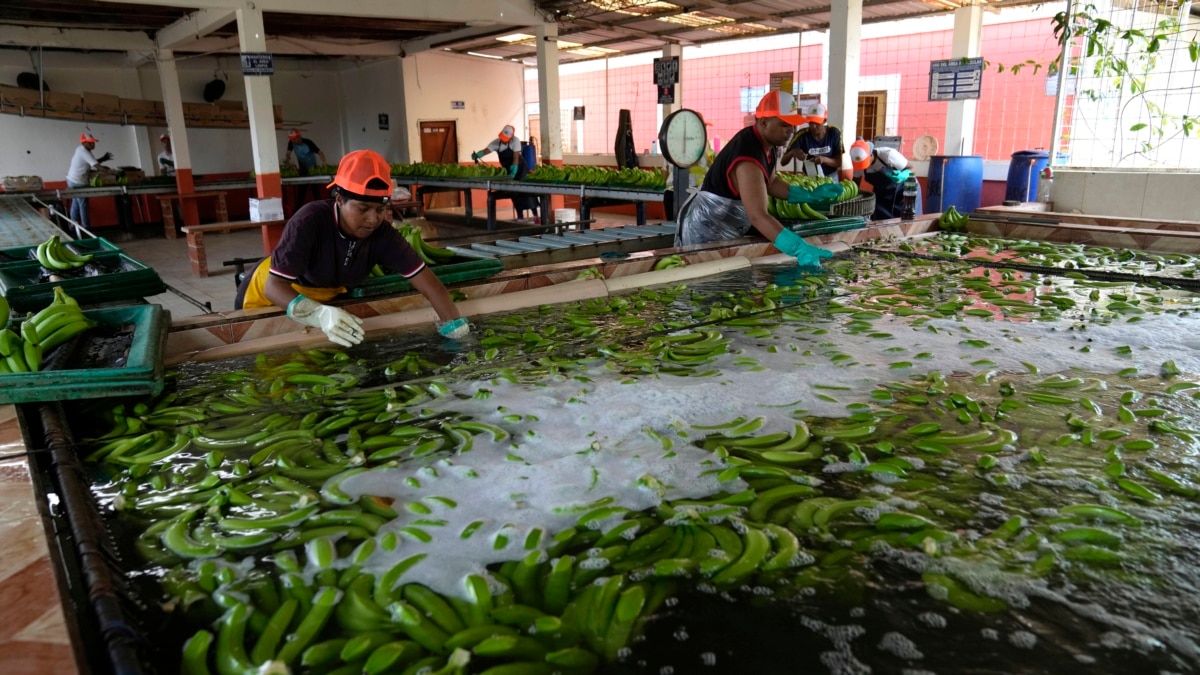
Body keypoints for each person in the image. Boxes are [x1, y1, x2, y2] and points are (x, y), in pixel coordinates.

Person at [235, 149, 469, 345]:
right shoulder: (310, 221)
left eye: (380, 210)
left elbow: (431, 287)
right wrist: (319, 314)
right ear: (339, 200)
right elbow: (274, 287)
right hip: (271, 294)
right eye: (362, 208)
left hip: (325, 296)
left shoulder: (383, 235)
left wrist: (456, 330)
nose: (373, 219)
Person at [674, 90, 840, 269]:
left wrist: (808, 195)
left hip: (727, 226)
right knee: (707, 287)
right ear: (764, 122)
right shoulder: (748, 156)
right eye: (785, 125)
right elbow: (759, 216)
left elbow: (771, 181)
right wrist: (798, 248)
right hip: (708, 231)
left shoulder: (768, 144)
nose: (790, 131)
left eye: (792, 125)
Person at [471, 125, 537, 220]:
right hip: (508, 170)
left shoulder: (515, 141)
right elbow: (486, 151)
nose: (503, 140)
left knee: (527, 192)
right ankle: (520, 217)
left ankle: (535, 215)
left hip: (521, 169)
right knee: (514, 192)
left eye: (506, 138)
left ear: (511, 137)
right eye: (502, 138)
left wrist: (514, 170)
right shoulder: (497, 143)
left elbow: (515, 158)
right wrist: (478, 154)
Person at [849, 139, 914, 221]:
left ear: (871, 154)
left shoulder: (888, 154)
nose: (864, 167)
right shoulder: (858, 165)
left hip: (903, 193)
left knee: (904, 222)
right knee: (879, 221)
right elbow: (855, 185)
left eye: (865, 163)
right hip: (882, 195)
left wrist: (904, 174)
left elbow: (912, 168)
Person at [780, 103, 844, 178]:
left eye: (816, 123)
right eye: (810, 122)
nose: (813, 126)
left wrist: (824, 159)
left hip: (831, 177)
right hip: (810, 178)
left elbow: (839, 162)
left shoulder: (834, 133)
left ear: (824, 121)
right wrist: (792, 152)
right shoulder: (801, 135)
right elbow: (783, 162)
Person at [64, 132, 114, 228]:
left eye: (93, 142)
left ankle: (73, 225)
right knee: (83, 204)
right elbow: (97, 166)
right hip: (77, 181)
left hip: (72, 179)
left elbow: (90, 162)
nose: (92, 144)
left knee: (76, 203)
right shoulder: (84, 152)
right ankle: (86, 228)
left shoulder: (81, 149)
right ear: (84, 143)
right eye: (90, 142)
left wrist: (103, 159)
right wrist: (113, 173)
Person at [284, 129, 328, 206]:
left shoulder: (308, 143)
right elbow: (288, 153)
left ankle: (319, 206)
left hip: (312, 169)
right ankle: (298, 208)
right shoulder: (291, 143)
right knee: (301, 191)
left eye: (294, 139)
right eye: (291, 139)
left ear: (299, 137)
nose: (293, 141)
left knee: (315, 190)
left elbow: (320, 153)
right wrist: (288, 160)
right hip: (303, 169)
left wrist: (324, 164)